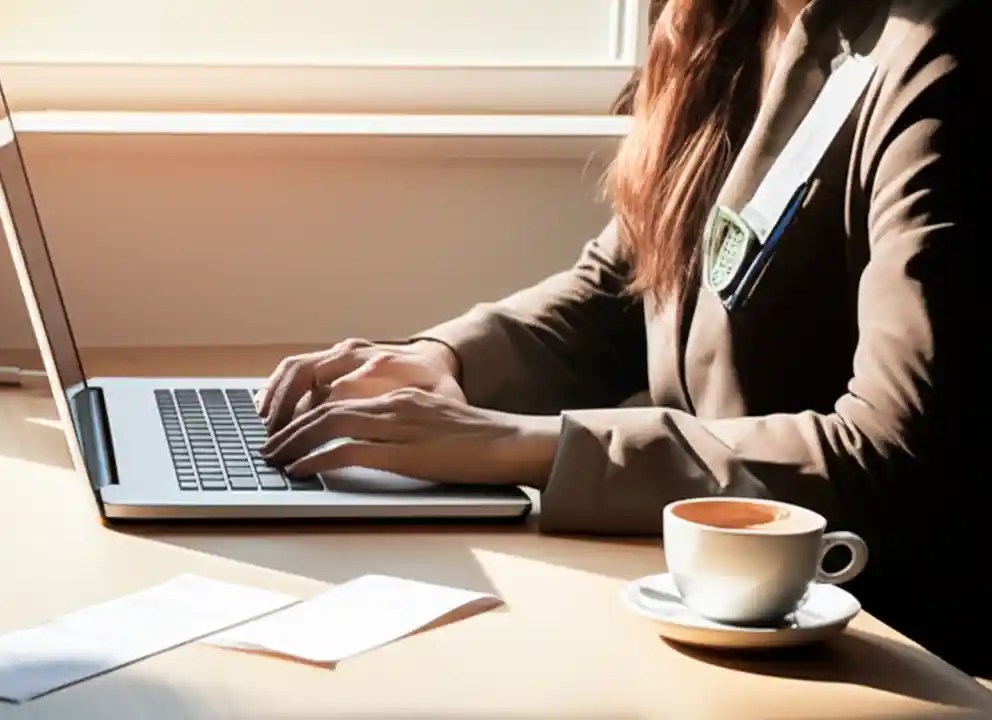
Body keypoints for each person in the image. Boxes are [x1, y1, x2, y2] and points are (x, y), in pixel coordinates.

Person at [256, 0, 984, 676]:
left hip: (885, 644)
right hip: (718, 604)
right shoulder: (730, 22)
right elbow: (622, 290)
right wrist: (440, 360)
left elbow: (886, 456)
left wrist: (517, 445)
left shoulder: (941, 56)